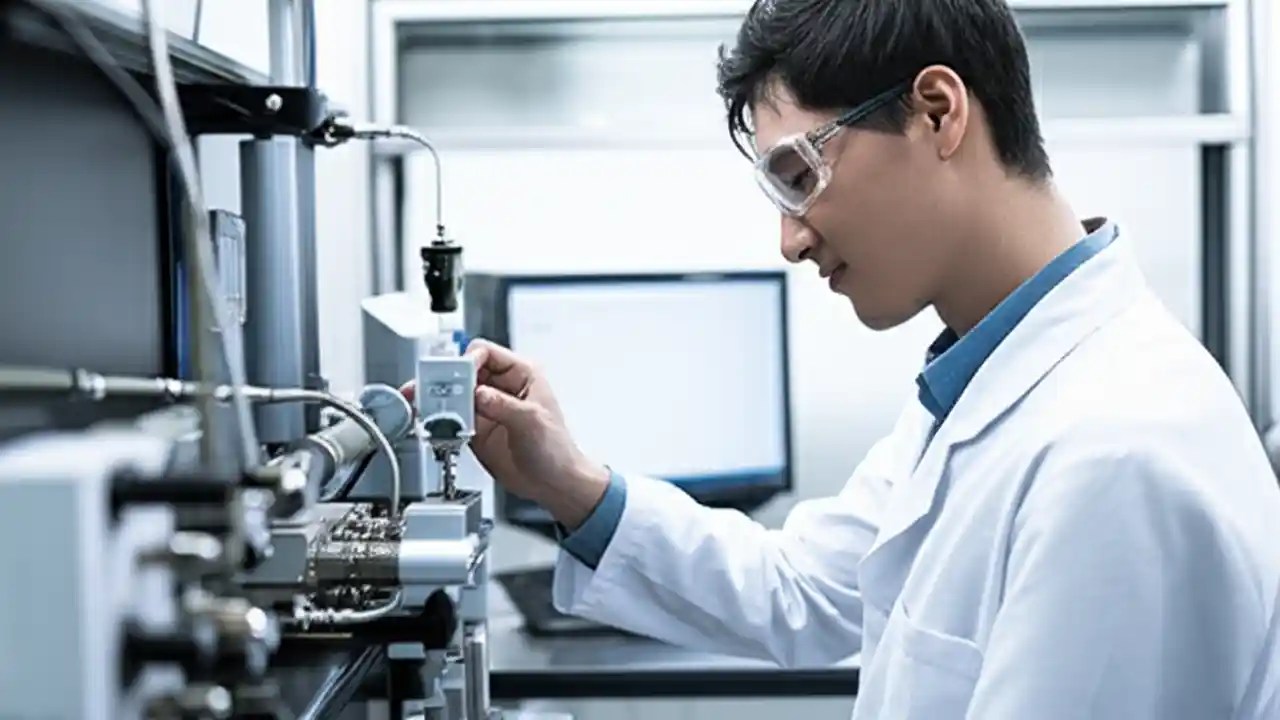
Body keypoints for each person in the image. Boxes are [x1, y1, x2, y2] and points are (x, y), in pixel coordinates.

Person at [452, 1, 1280, 717]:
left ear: (936, 111)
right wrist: (566, 482)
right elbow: (805, 586)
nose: (790, 239)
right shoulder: (986, 378)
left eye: (798, 175)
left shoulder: (1118, 454)